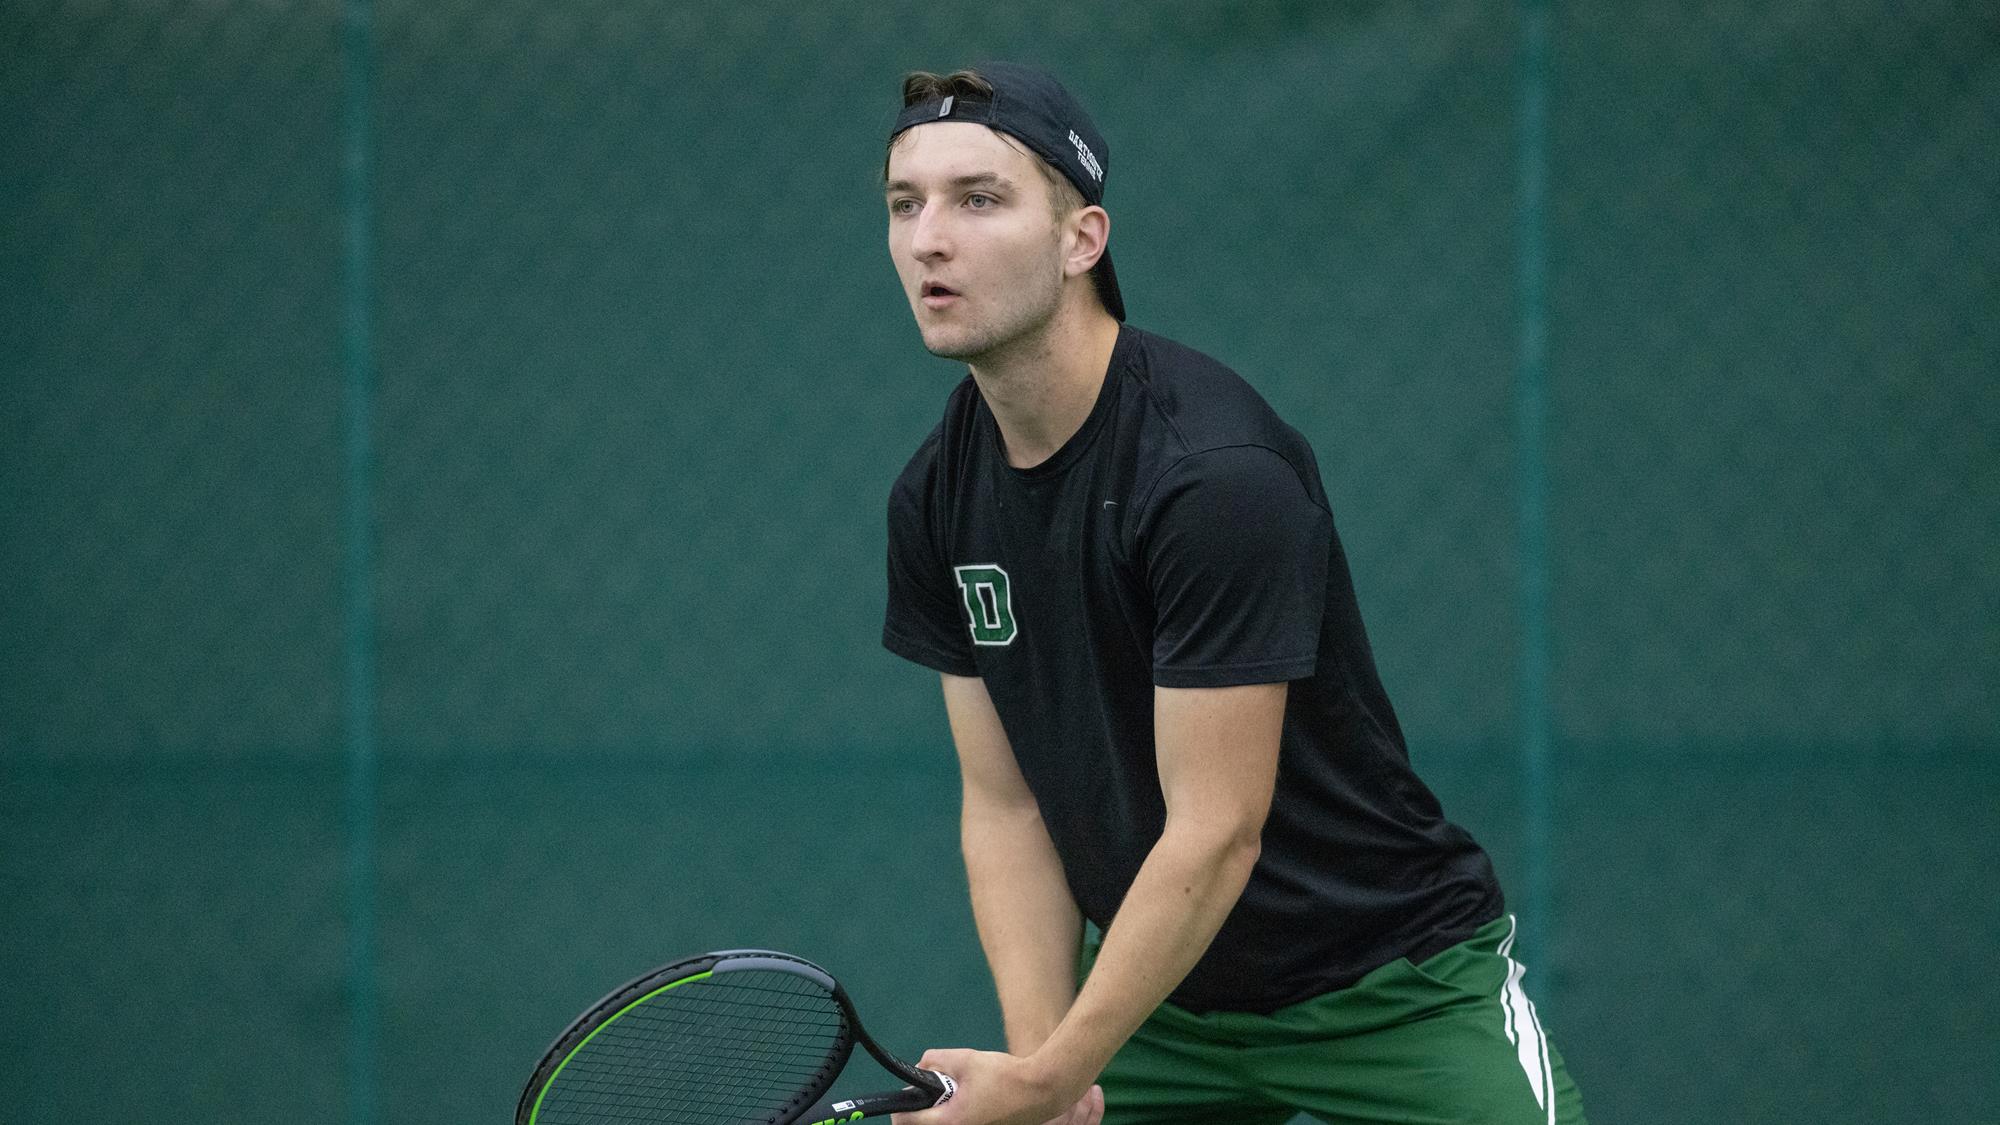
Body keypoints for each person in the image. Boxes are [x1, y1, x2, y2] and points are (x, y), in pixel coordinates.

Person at [877, 61, 1587, 1125]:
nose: (929, 238)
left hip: (1386, 987)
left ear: (1083, 241)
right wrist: (1048, 1069)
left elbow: (1216, 831)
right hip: (1158, 1002)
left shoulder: (1210, 477)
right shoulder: (936, 495)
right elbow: (1008, 801)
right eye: (905, 204)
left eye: (979, 199)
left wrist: (1051, 1074)